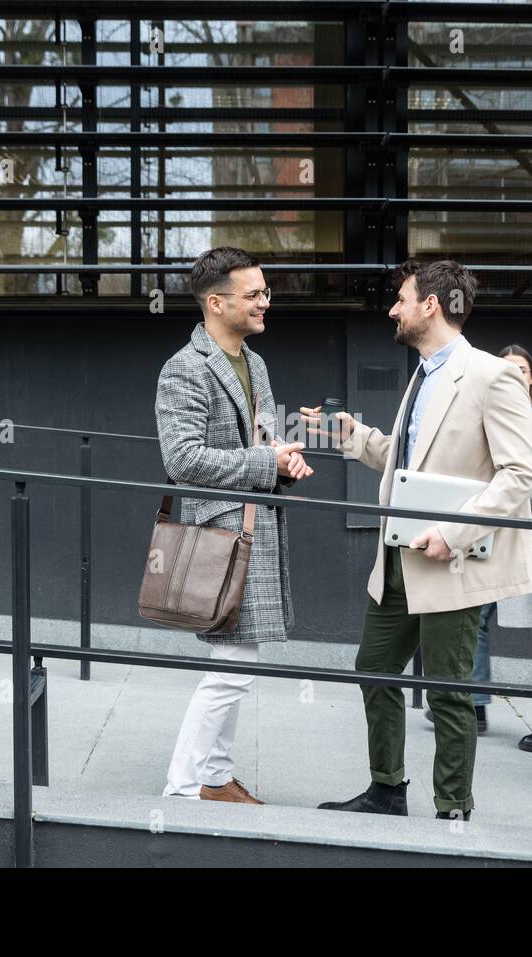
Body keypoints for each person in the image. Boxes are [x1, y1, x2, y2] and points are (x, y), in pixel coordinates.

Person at [302, 259, 532, 820]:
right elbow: (410, 462)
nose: (394, 308)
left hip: (450, 562)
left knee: (448, 692)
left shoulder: (492, 375)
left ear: (431, 305)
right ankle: (387, 790)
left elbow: (521, 473)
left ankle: (452, 810)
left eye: (402, 299)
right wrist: (354, 437)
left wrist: (453, 534)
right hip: (396, 559)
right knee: (374, 669)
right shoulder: (424, 373)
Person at [157, 246, 313, 805]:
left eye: (266, 292)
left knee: (236, 662)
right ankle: (183, 787)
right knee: (233, 667)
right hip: (222, 535)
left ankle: (216, 777)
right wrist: (263, 463)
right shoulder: (184, 369)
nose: (265, 302)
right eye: (254, 294)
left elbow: (262, 444)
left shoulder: (256, 363)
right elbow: (182, 459)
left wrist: (285, 461)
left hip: (256, 529)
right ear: (215, 302)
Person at [423, 344, 532, 751]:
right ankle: (474, 704)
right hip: (491, 540)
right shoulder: (488, 414)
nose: (512, 376)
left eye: (521, 370)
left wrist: (504, 497)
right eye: (504, 370)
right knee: (477, 619)